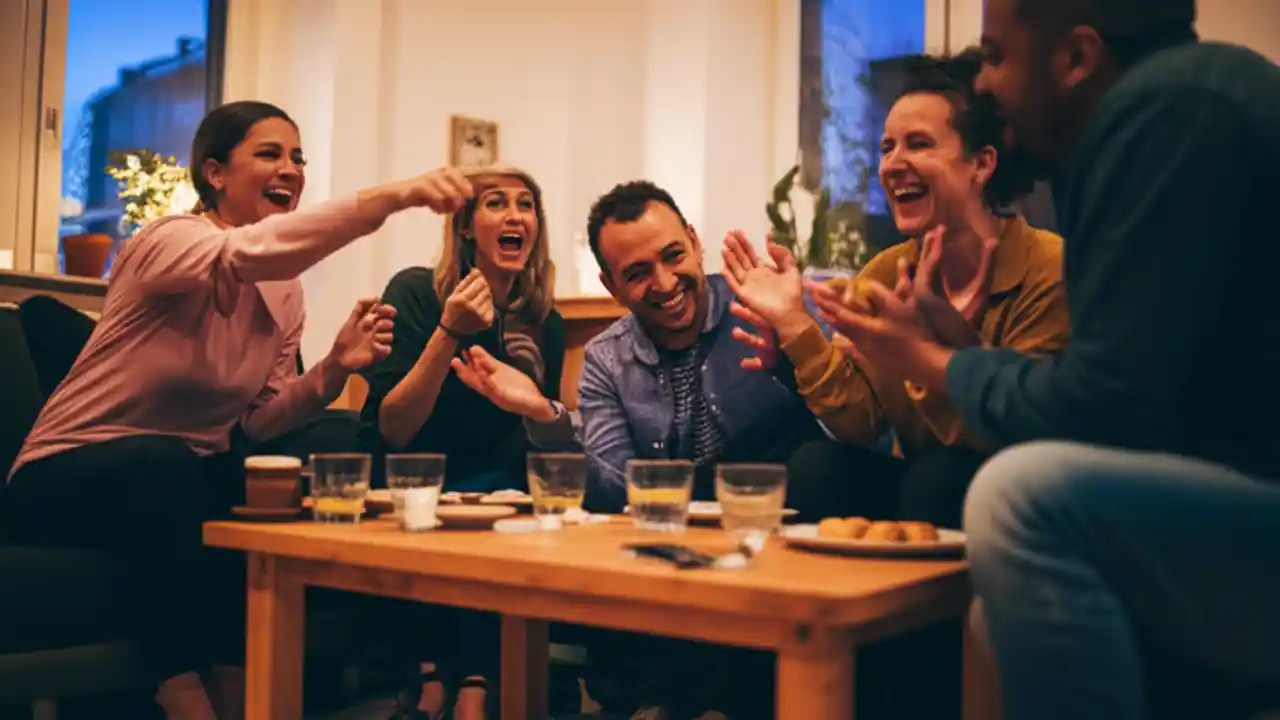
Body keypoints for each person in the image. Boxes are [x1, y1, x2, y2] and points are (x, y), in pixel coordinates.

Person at [817, 1, 1280, 717]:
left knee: (1017, 497)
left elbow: (1104, 411)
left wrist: (934, 360)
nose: (984, 85)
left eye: (996, 56)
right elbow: (1128, 397)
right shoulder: (1148, 119)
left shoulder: (1167, 113)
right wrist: (954, 348)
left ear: (1076, 57)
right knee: (988, 621)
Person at [1, 100, 473, 720]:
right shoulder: (168, 240)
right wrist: (391, 197)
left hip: (177, 479)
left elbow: (258, 421)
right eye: (269, 154)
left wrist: (333, 370)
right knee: (169, 464)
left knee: (262, 475)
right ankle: (180, 691)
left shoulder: (286, 291)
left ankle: (248, 688)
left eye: (298, 158)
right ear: (216, 173)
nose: (291, 169)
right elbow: (246, 253)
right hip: (62, 474)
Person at [452, 180, 814, 718]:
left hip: (772, 536)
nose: (664, 283)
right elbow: (613, 490)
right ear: (611, 285)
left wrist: (796, 335)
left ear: (694, 241)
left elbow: (844, 424)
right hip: (666, 551)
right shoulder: (607, 357)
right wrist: (545, 414)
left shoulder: (762, 306)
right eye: (638, 273)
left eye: (673, 256)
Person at [725, 51, 1067, 529]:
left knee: (938, 478)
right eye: (887, 148)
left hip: (1020, 491)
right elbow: (859, 423)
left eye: (919, 144)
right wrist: (794, 325)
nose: (892, 165)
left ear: (981, 163)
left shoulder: (1049, 268)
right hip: (921, 483)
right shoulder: (887, 272)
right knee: (815, 467)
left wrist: (924, 355)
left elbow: (1020, 434)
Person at [358, 165, 563, 720]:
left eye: (526, 204)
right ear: (467, 226)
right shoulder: (415, 292)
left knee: (523, 476)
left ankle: (476, 681)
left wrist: (532, 404)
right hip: (410, 469)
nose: (516, 215)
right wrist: (449, 330)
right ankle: (431, 679)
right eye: (497, 203)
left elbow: (543, 430)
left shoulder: (543, 322)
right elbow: (393, 426)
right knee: (423, 484)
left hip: (499, 481)